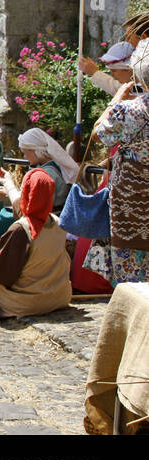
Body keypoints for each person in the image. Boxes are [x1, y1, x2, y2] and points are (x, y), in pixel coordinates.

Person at [0, 169, 72, 322]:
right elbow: (21, 205)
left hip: (25, 303)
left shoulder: (21, 229)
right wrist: (7, 182)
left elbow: (2, 275)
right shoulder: (58, 222)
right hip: (58, 297)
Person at [89, 46, 149, 284]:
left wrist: (115, 101)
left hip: (132, 199)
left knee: (132, 267)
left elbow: (97, 134)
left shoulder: (130, 110)